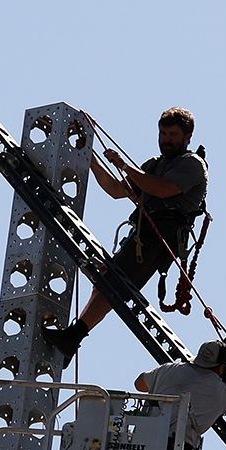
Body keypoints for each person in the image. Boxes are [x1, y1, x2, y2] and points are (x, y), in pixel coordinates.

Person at [43, 107, 208, 365]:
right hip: (144, 233)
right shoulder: (154, 165)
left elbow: (163, 190)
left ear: (187, 136)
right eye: (163, 133)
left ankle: (74, 336)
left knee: (114, 285)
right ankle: (72, 338)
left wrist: (125, 167)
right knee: (106, 281)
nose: (166, 139)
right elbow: (116, 190)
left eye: (173, 134)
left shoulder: (192, 165)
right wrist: (92, 157)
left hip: (160, 237)